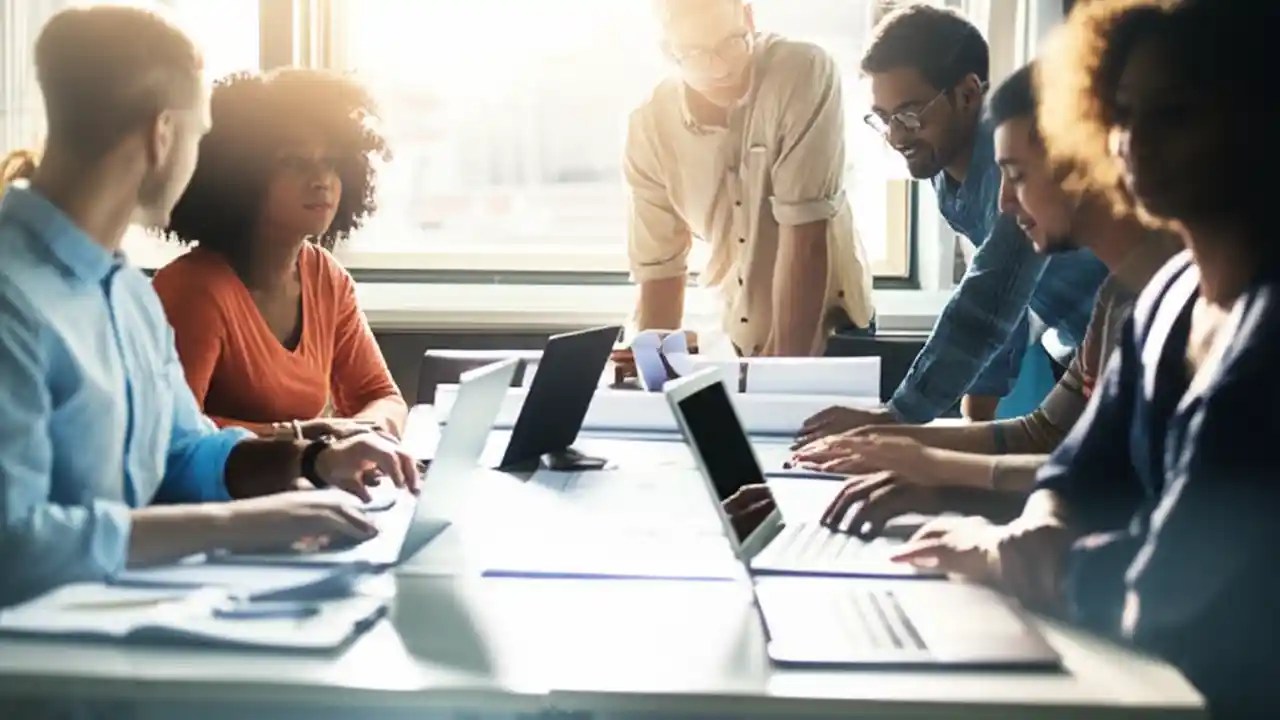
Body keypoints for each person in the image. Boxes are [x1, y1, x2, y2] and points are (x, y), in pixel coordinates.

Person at [892, 1, 1280, 715]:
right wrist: (1039, 524)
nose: (1131, 141)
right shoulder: (1162, 294)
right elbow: (1077, 469)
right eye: (1123, 113)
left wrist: (997, 552)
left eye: (1175, 114)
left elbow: (1171, 587)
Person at [0, 6, 417, 607]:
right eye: (199, 135)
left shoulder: (123, 293)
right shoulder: (15, 301)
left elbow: (183, 452)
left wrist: (315, 461)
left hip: (124, 612)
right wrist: (235, 524)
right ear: (161, 134)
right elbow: (12, 543)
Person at [786, 63, 1180, 537]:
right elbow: (1044, 436)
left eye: (1016, 176)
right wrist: (887, 444)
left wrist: (934, 467)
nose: (1005, 205)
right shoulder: (1117, 296)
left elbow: (1121, 484)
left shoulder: (1178, 304)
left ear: (1083, 166)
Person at [795, 4, 1108, 437]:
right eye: (883, 119)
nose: (896, 136)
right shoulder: (946, 172)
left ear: (967, 94)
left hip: (1140, 344)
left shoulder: (1010, 156)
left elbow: (989, 295)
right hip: (1086, 355)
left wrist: (898, 415)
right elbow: (1010, 301)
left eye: (909, 115)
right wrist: (973, 422)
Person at [153, 69, 407, 442]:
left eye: (332, 163)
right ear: (240, 176)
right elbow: (175, 435)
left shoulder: (326, 278)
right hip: (220, 495)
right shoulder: (193, 289)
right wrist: (305, 438)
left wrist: (365, 432)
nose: (322, 180)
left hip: (309, 483)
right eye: (294, 163)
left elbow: (382, 397)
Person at [626, 0, 875, 358]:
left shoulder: (802, 73)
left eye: (731, 42)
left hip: (831, 333)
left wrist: (776, 377)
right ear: (669, 51)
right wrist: (654, 371)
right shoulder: (649, 127)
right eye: (696, 53)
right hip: (743, 339)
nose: (721, 68)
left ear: (749, 17)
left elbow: (805, 238)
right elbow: (660, 271)